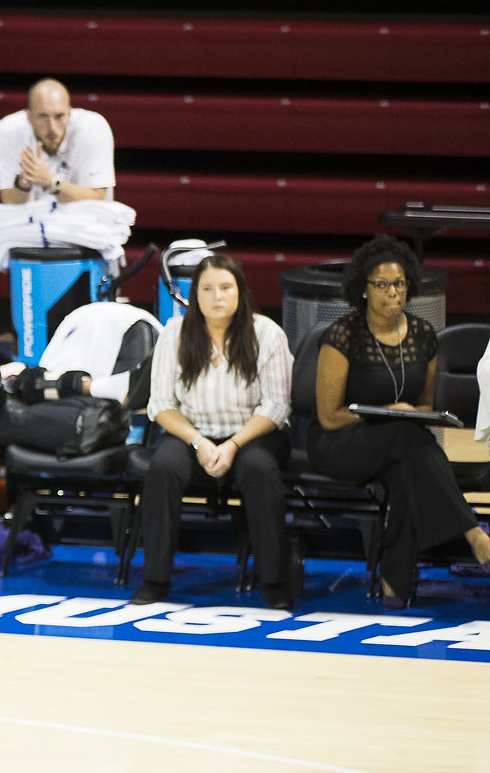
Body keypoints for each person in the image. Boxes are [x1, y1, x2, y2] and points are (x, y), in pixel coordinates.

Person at [310, 235, 490, 607]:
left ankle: (396, 586)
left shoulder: (423, 336)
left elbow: (425, 406)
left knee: (407, 469)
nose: (393, 292)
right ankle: (474, 535)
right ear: (363, 288)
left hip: (398, 446)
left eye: (400, 283)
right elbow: (328, 416)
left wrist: (413, 414)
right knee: (407, 440)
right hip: (340, 442)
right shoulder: (342, 335)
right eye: (382, 284)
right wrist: (389, 413)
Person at [135, 255, 293, 607]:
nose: (217, 296)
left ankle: (275, 582)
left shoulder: (266, 333)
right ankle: (154, 580)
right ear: (194, 294)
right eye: (207, 289)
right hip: (193, 432)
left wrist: (233, 445)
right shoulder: (175, 333)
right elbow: (161, 404)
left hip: (255, 434)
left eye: (225, 287)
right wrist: (199, 442)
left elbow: (276, 406)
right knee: (163, 468)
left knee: (259, 468)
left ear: (240, 291)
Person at [0, 79, 115, 205]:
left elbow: (97, 199)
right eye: (43, 117)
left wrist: (50, 181)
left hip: (87, 215)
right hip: (35, 215)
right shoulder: (10, 130)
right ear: (29, 116)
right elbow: (10, 201)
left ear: (69, 113)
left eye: (59, 116)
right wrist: (22, 185)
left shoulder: (93, 127)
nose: (52, 127)